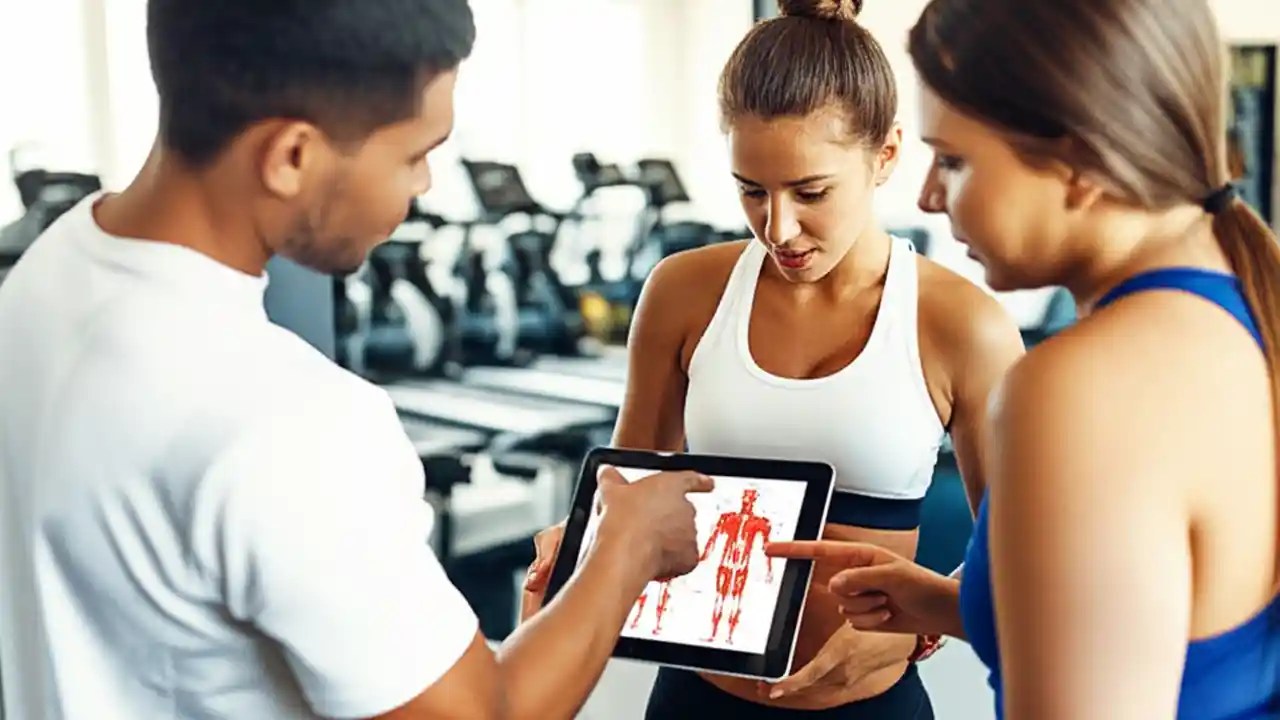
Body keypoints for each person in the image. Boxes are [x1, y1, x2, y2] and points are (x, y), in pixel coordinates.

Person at [0, 2, 715, 719]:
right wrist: (627, 547)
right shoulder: (288, 422)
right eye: (414, 154)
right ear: (291, 157)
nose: (426, 185)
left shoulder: (50, 268)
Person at [768, 0, 1280, 717]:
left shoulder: (1083, 386)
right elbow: (1170, 632)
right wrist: (946, 603)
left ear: (1078, 159)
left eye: (954, 160)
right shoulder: (1242, 309)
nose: (930, 195)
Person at [519, 0, 1025, 717]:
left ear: (884, 157)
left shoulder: (961, 323)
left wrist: (917, 627)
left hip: (868, 706)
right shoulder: (683, 292)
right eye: (751, 191)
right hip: (695, 700)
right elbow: (629, 488)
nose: (778, 227)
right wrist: (581, 536)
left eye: (811, 191)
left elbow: (1020, 557)